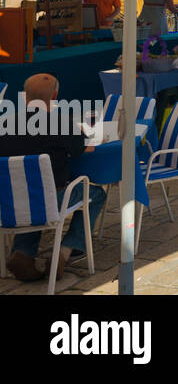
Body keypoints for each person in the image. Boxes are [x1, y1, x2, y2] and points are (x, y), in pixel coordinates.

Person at [0, 74, 107, 282]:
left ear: (25, 97)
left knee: (32, 201)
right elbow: (83, 149)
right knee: (95, 194)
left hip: (9, 201)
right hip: (49, 200)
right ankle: (65, 252)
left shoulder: (4, 123)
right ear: (55, 95)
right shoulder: (60, 122)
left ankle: (22, 252)